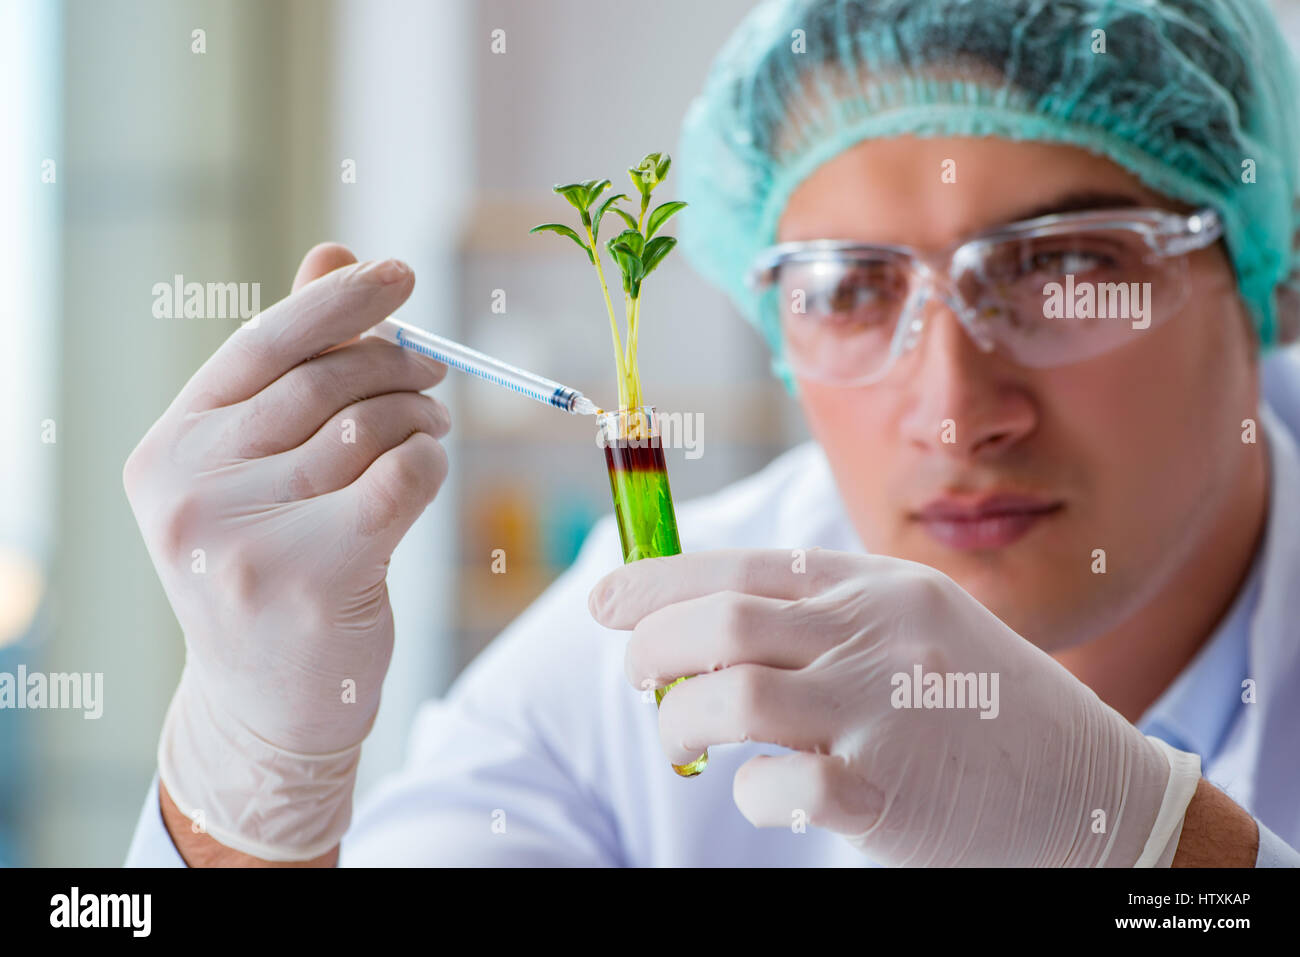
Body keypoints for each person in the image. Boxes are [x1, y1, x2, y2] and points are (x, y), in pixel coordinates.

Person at [125, 0, 1300, 867]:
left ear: (1273, 275)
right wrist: (250, 796)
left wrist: (1160, 849)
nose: (952, 410)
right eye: (847, 286)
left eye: (1063, 267)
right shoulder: (632, 651)